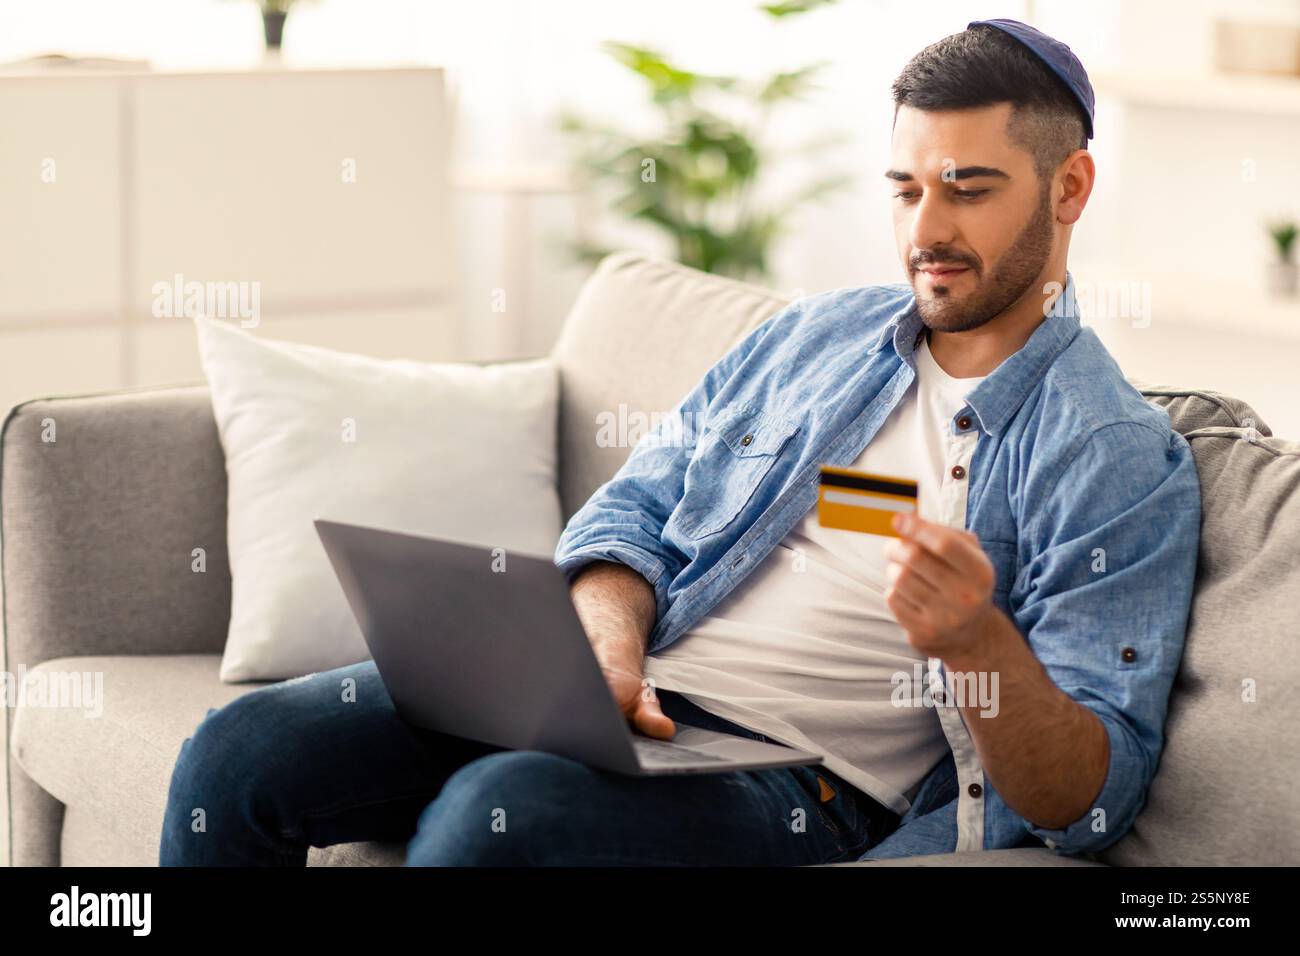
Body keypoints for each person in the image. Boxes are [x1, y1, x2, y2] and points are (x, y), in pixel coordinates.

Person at [160, 19, 1201, 866]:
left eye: (968, 188)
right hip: (629, 692)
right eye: (904, 187)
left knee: (501, 815)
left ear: (1068, 189)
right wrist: (607, 642)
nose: (926, 227)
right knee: (237, 751)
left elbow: (1087, 798)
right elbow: (637, 506)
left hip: (801, 779)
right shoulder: (811, 336)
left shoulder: (1109, 452)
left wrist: (976, 642)